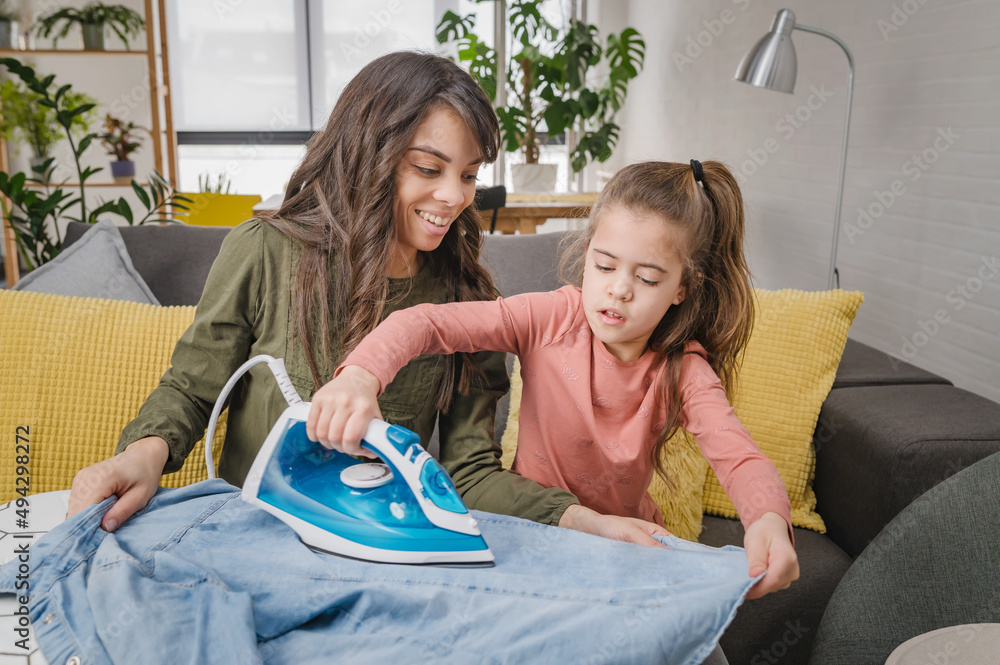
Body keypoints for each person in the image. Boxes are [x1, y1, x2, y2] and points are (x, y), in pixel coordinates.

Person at [66, 51, 671, 548]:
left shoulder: (466, 301)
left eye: (468, 174)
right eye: (429, 168)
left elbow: (473, 474)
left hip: (372, 551)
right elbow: (193, 388)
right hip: (248, 535)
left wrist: (588, 522)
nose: (454, 196)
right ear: (367, 153)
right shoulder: (265, 253)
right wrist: (145, 455)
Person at [306, 159, 801, 599]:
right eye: (604, 265)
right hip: (532, 535)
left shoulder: (684, 369)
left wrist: (768, 521)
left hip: (629, 547)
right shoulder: (550, 317)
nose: (619, 290)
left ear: (681, 289)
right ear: (586, 255)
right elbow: (427, 323)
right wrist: (360, 376)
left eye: (648, 279)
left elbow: (739, 456)